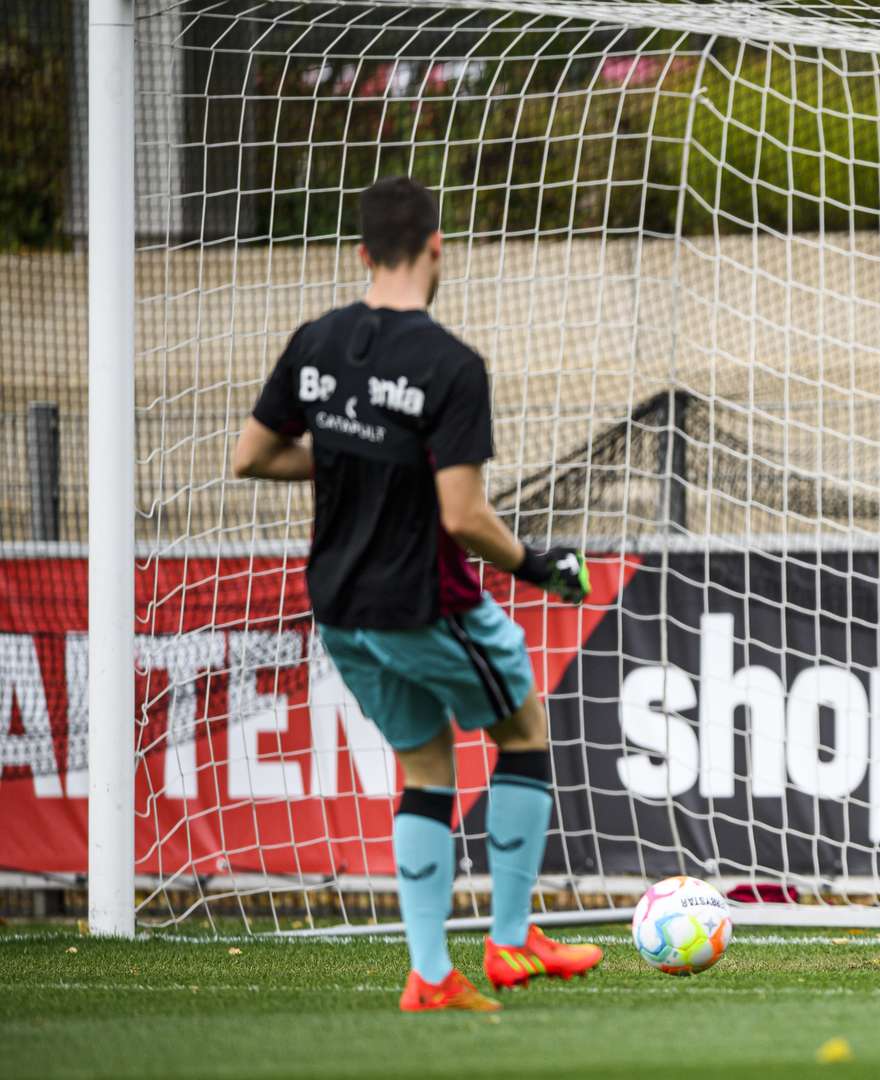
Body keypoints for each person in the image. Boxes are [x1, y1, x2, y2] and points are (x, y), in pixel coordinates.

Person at [231, 176, 603, 1012]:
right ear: (438, 245)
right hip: (426, 601)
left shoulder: (316, 341)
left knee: (426, 764)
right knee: (524, 728)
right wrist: (542, 565)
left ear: (362, 252)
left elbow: (251, 455)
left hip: (340, 607)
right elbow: (464, 515)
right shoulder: (450, 364)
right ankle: (509, 944)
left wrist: (346, 457)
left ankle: (431, 973)